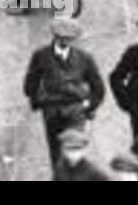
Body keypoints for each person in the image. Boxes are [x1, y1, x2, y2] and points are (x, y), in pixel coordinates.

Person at [22, 18, 106, 166]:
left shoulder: (84, 58)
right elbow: (30, 83)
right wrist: (38, 102)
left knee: (73, 149)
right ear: (54, 36)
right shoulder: (41, 55)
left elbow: (98, 88)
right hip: (51, 111)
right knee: (56, 154)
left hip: (75, 110)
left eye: (69, 38)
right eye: (61, 37)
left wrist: (89, 106)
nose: (64, 41)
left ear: (73, 38)